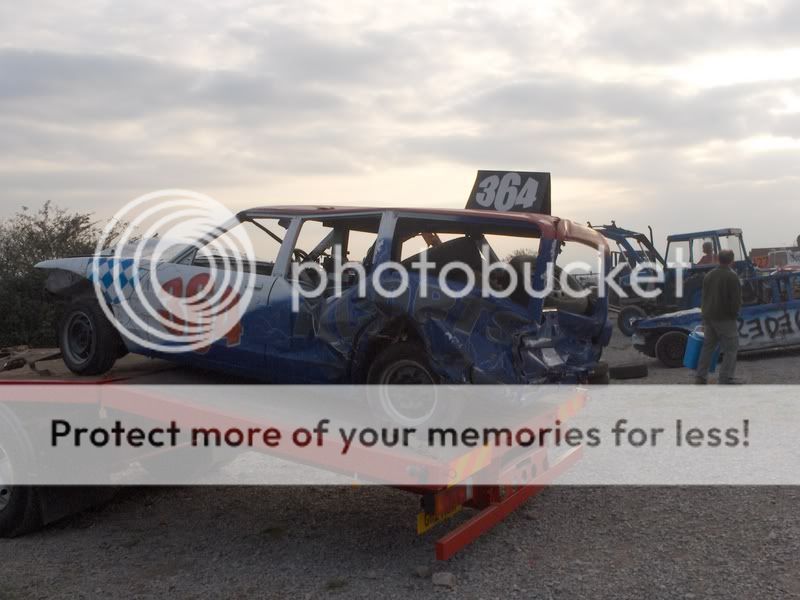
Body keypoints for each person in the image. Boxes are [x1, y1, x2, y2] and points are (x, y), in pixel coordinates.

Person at [695, 249, 742, 384]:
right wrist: (735, 314)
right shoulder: (732, 276)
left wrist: (704, 317)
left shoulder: (709, 275)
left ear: (718, 259)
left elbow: (704, 298)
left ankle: (700, 376)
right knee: (731, 349)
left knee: (708, 348)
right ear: (732, 260)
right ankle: (726, 378)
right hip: (725, 318)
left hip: (709, 317)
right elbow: (736, 300)